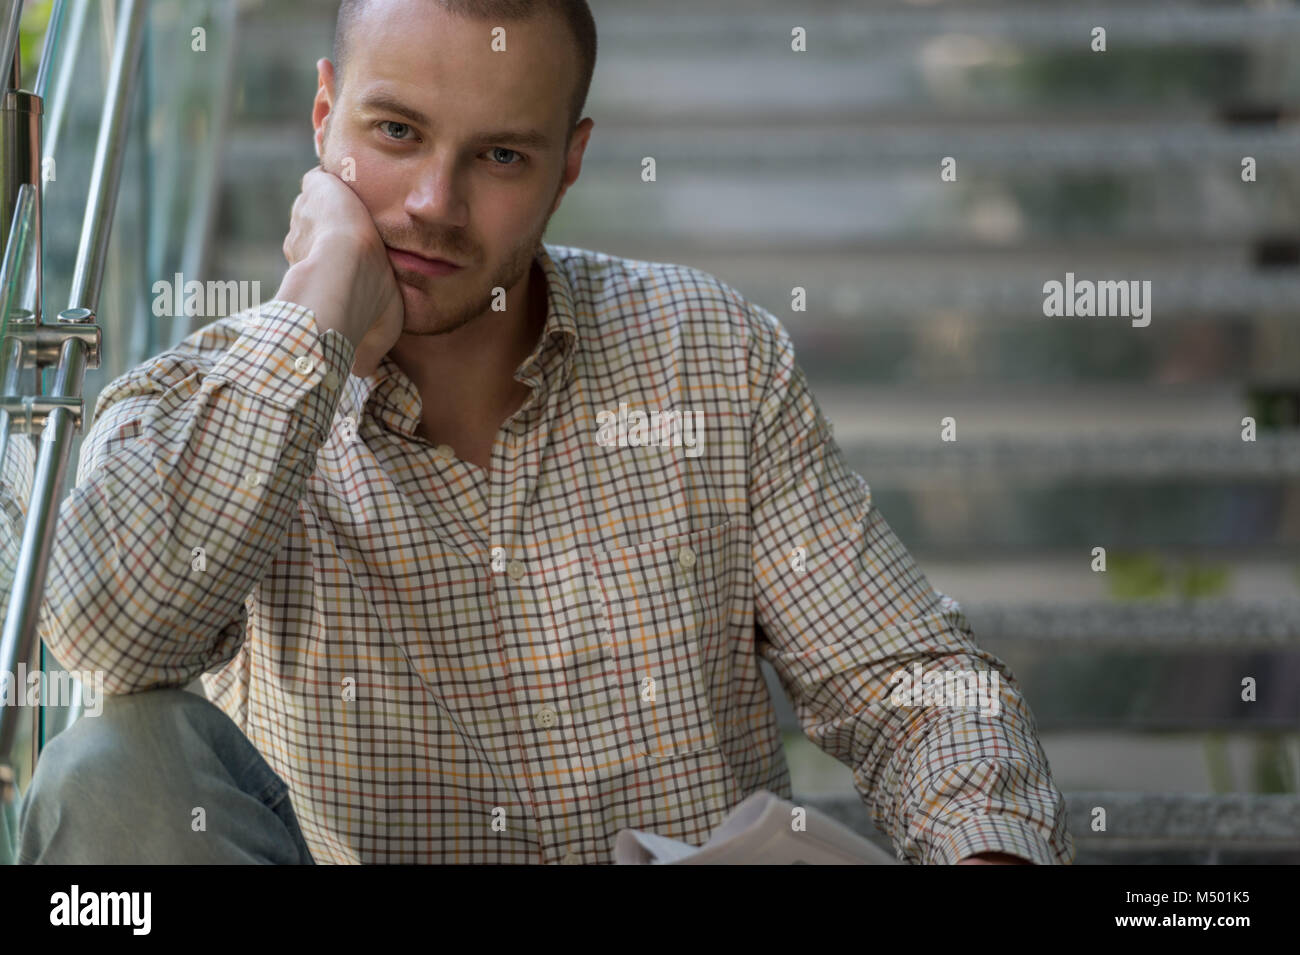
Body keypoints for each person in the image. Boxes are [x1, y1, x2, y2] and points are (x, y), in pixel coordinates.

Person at [16, 0, 1073, 864]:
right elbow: (111, 642)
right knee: (108, 765)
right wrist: (318, 317)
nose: (434, 202)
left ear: (568, 166)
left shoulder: (707, 354)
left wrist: (986, 857)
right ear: (323, 119)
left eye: (501, 157)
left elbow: (904, 681)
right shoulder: (208, 402)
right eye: (395, 133)